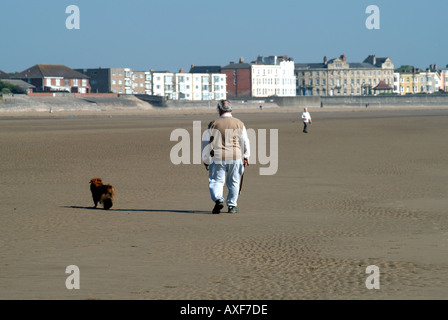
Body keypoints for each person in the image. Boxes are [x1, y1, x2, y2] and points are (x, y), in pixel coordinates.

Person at [202, 100, 250, 214]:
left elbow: (206, 142)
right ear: (231, 109)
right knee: (234, 181)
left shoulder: (214, 123)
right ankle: (232, 205)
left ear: (219, 110)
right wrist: (246, 156)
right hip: (236, 156)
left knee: (216, 181)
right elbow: (245, 141)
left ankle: (218, 199)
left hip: (218, 156)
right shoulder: (239, 123)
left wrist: (205, 158)